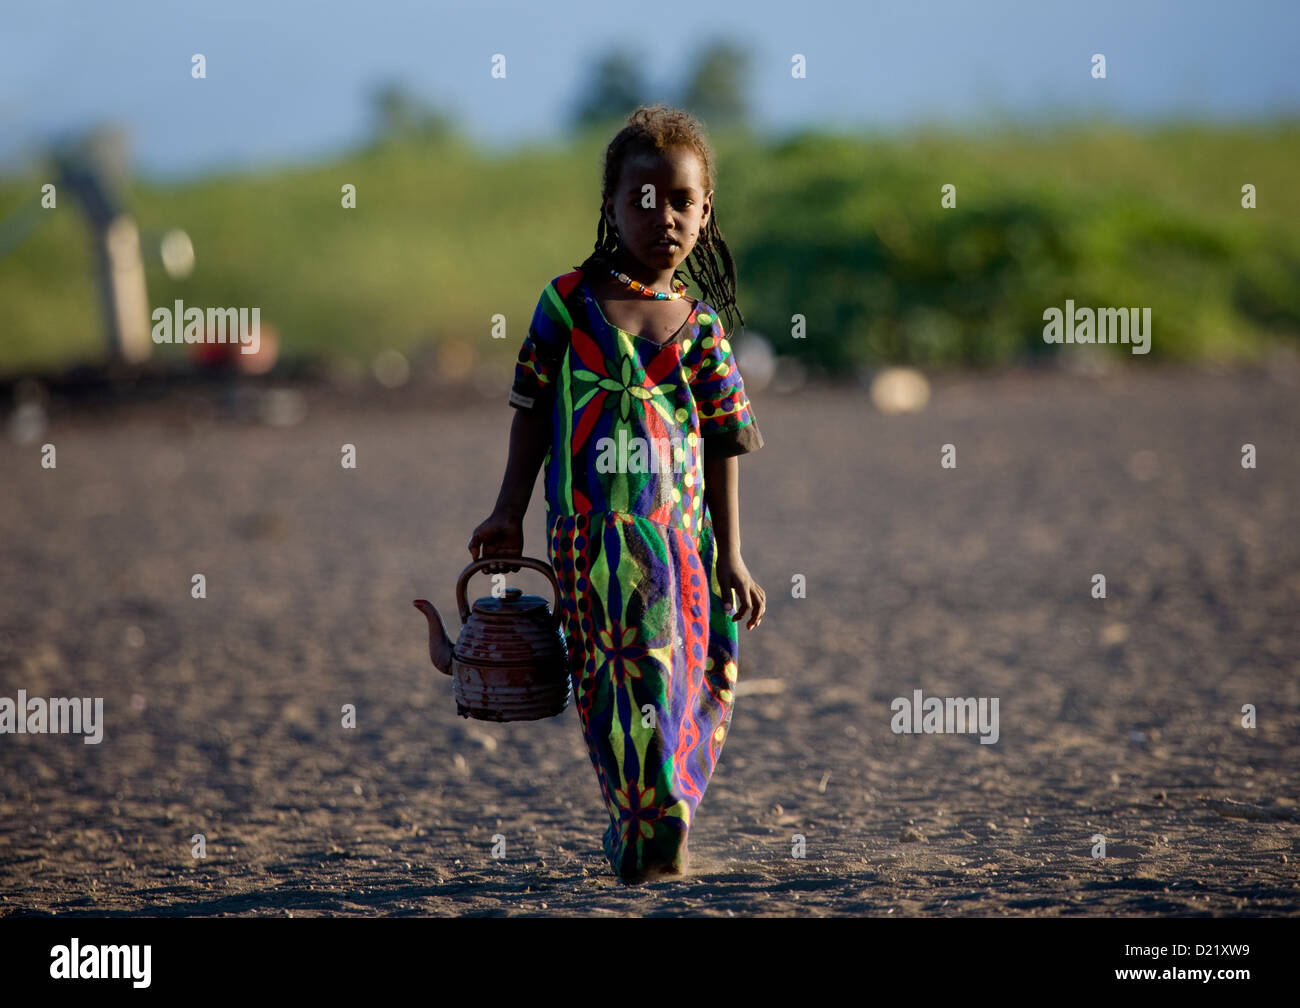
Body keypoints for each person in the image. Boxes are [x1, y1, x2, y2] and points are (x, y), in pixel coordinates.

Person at [468, 103, 766, 884]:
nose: (661, 216)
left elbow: (729, 438)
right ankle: (643, 826)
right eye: (642, 198)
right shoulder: (568, 303)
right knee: (612, 684)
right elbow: (531, 412)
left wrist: (731, 554)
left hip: (679, 545)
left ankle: (655, 822)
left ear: (706, 214)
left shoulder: (701, 328)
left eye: (681, 201)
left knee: (676, 681)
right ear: (610, 205)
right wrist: (507, 510)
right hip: (586, 539)